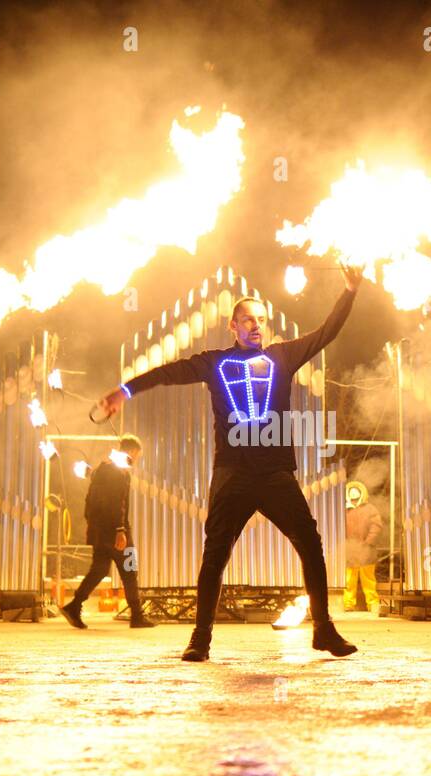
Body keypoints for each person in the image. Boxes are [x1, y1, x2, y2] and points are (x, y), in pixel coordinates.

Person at [95, 264, 364, 661]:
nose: (256, 326)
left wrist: (350, 290)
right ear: (233, 326)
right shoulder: (214, 363)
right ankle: (200, 640)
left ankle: (323, 629)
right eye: (248, 321)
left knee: (310, 543)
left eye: (261, 321)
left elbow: (327, 332)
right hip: (232, 475)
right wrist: (124, 392)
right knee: (215, 556)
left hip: (275, 475)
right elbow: (168, 373)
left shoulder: (283, 357)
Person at [60, 434, 156, 630]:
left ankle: (74, 605)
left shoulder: (101, 469)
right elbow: (117, 503)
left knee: (100, 569)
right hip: (115, 530)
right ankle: (137, 616)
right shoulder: (120, 473)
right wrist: (120, 530)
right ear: (131, 451)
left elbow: (92, 501)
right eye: (137, 454)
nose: (136, 459)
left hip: (99, 530)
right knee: (130, 570)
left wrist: (94, 527)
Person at [342, 480, 382, 614]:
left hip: (367, 550)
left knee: (369, 580)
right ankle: (348, 604)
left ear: (361, 493)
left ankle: (373, 604)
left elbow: (376, 526)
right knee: (348, 580)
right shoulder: (343, 509)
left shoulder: (370, 509)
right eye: (351, 490)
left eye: (356, 490)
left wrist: (368, 541)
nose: (353, 492)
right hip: (350, 550)